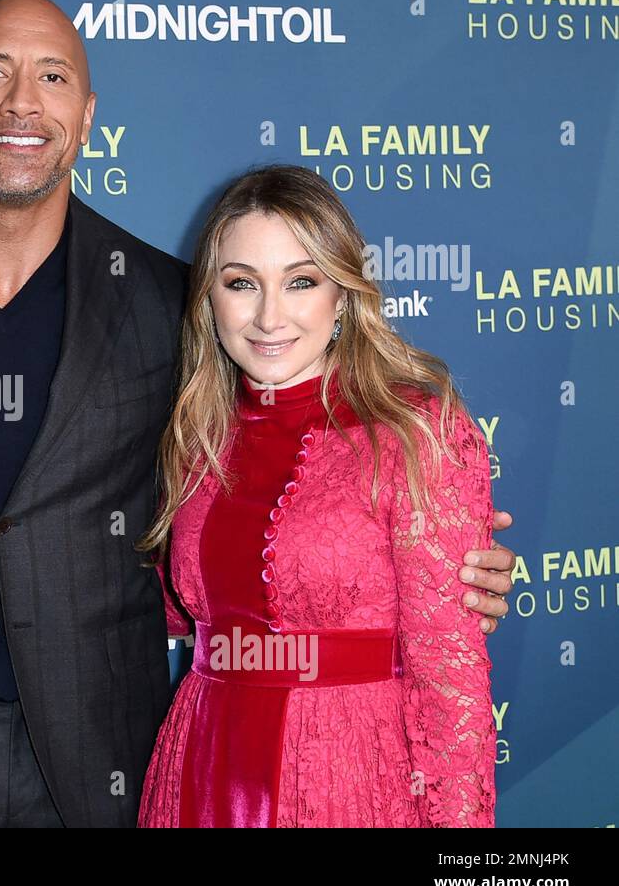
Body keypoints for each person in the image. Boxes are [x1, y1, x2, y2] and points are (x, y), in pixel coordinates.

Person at [0, 0, 514, 827]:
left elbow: (268, 495)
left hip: (106, 764)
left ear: (87, 117)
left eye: (53, 77)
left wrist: (433, 572)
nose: (21, 103)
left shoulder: (163, 303)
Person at [138, 165, 498, 827]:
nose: (269, 315)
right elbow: (167, 609)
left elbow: (450, 681)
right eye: (241, 282)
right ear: (209, 300)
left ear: (343, 294)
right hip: (202, 768)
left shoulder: (415, 431)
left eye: (300, 281)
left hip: (351, 781)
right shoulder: (196, 436)